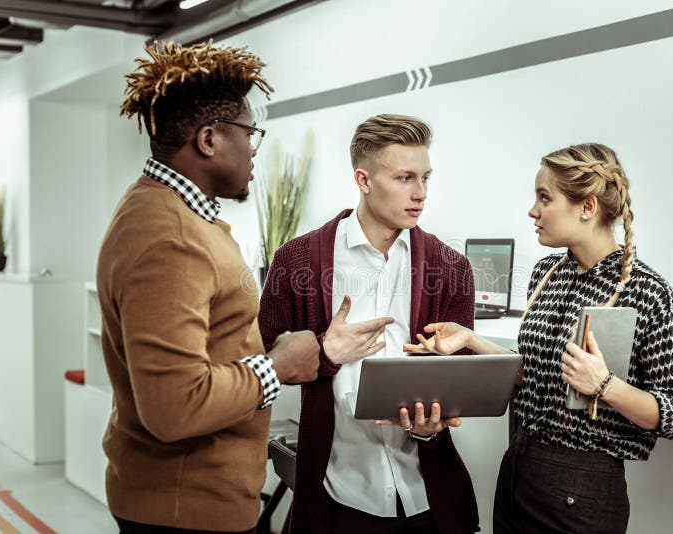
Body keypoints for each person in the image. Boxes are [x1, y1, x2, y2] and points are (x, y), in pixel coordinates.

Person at [405, 143, 673, 533]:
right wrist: (469, 338)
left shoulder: (649, 294)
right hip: (519, 472)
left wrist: (604, 386)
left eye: (544, 198)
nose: (532, 211)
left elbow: (672, 414)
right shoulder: (546, 275)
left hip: (583, 494)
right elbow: (535, 374)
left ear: (587, 207)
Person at [97, 41, 320, 534]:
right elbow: (175, 406)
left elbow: (208, 344)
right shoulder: (170, 237)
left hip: (186, 502)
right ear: (209, 139)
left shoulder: (172, 215)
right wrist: (279, 366)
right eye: (249, 134)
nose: (253, 150)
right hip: (183, 510)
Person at [258, 114, 480, 533]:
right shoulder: (296, 261)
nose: (420, 193)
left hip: (425, 496)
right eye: (404, 178)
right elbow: (262, 360)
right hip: (336, 493)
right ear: (363, 180)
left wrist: (433, 425)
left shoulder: (452, 268)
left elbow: (459, 380)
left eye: (426, 178)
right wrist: (323, 353)